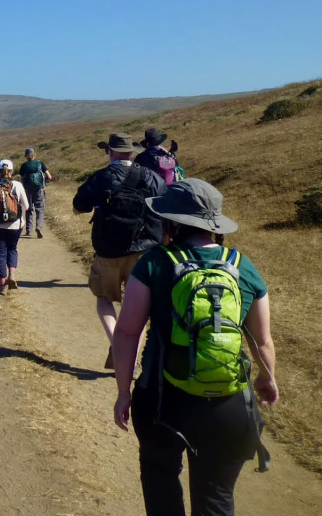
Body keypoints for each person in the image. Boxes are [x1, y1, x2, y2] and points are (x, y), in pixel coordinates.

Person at [112, 179, 277, 516]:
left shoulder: (155, 262)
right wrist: (267, 377)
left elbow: (128, 333)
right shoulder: (241, 265)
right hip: (229, 405)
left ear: (171, 221)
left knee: (161, 485)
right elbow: (262, 341)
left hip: (163, 399)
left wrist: (124, 392)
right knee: (216, 498)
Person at [73, 132, 166, 368]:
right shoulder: (152, 177)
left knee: (104, 299)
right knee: (139, 307)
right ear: (132, 152)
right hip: (145, 251)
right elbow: (166, 211)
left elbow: (78, 207)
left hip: (108, 250)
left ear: (109, 151)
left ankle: (118, 345)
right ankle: (132, 355)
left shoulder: (101, 177)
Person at [0, 159, 30, 295]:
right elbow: (26, 206)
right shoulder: (17, 185)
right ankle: (12, 274)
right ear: (12, 171)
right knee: (12, 249)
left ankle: (2, 285)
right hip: (15, 225)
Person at [19, 147, 52, 238]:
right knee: (39, 208)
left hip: (28, 190)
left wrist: (23, 188)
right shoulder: (40, 163)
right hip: (39, 189)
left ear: (26, 156)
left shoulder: (24, 165)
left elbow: (21, 179)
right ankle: (39, 227)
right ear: (34, 155)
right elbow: (49, 176)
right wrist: (44, 182)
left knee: (29, 209)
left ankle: (29, 230)